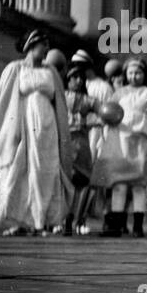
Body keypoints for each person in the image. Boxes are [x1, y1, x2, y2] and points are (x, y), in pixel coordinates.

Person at [0, 30, 74, 236]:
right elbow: (2, 103)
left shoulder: (51, 72)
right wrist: (10, 129)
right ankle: (19, 221)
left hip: (47, 126)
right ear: (31, 45)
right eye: (43, 44)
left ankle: (40, 221)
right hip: (22, 125)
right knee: (18, 170)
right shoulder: (15, 68)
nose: (46, 49)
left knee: (43, 170)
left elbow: (59, 103)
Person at [91, 57, 147, 238]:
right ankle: (115, 225)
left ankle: (138, 226)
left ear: (144, 74)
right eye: (130, 73)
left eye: (138, 73)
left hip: (141, 142)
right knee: (119, 184)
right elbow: (108, 113)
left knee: (139, 185)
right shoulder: (119, 93)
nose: (134, 76)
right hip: (120, 140)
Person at [61, 62, 98, 236]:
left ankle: (76, 218)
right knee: (65, 180)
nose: (78, 81)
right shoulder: (61, 95)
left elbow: (103, 111)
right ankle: (63, 218)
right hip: (64, 140)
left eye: (81, 78)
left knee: (82, 181)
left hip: (81, 141)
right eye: (74, 77)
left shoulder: (89, 100)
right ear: (67, 80)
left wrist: (98, 120)